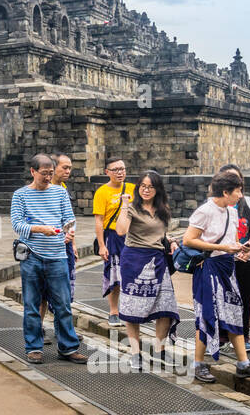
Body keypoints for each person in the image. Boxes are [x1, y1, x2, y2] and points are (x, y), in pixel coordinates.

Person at [181, 172, 250, 384]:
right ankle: (198, 363)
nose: (241, 195)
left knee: (233, 312)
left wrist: (242, 247)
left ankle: (243, 363)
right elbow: (188, 240)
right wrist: (222, 247)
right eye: (238, 190)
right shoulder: (204, 211)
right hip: (209, 267)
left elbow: (231, 240)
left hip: (227, 266)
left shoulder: (231, 212)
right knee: (207, 314)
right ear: (225, 192)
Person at [11, 154, 88, 365]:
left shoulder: (59, 193)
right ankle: (34, 347)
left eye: (50, 174)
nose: (47, 178)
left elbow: (69, 220)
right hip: (32, 256)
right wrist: (39, 229)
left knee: (63, 304)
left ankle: (68, 347)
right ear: (33, 172)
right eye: (44, 174)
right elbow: (17, 225)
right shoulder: (20, 196)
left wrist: (70, 233)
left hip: (57, 256)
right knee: (32, 305)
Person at [113, 170, 180, 369]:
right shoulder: (132, 208)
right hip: (134, 260)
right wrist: (125, 204)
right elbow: (121, 230)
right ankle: (135, 353)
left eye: (150, 186)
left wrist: (169, 241)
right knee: (132, 307)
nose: (146, 190)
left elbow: (160, 233)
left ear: (157, 188)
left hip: (158, 260)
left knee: (166, 307)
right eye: (143, 186)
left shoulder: (162, 209)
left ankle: (159, 350)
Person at [218, 164, 250, 354]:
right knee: (220, 299)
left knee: (244, 299)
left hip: (247, 259)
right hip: (222, 259)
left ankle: (244, 337)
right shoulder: (215, 205)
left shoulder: (249, 203)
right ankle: (220, 336)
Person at [93, 156, 134, 327]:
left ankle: (133, 309)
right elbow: (99, 221)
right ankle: (114, 311)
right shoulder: (102, 192)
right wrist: (102, 245)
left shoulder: (133, 188)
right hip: (113, 238)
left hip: (132, 237)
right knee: (114, 275)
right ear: (107, 172)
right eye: (116, 169)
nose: (120, 172)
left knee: (134, 274)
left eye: (122, 169)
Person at [50, 153, 79, 297]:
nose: (68, 171)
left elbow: (69, 220)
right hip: (49, 244)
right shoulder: (45, 189)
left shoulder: (64, 188)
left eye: (70, 168)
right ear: (53, 168)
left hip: (65, 243)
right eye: (65, 168)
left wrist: (73, 244)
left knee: (65, 290)